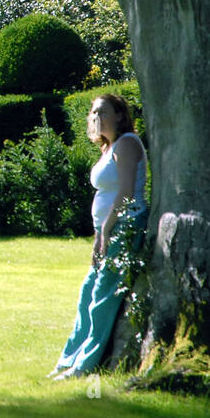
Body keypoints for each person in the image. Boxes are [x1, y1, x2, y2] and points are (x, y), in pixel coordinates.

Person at [48, 94, 149, 380]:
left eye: (103, 112)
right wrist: (98, 236)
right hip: (107, 231)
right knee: (86, 293)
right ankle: (68, 359)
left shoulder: (128, 143)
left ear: (119, 115)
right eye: (94, 113)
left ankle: (84, 365)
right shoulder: (109, 148)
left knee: (102, 296)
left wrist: (106, 229)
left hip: (125, 227)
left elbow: (126, 192)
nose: (97, 117)